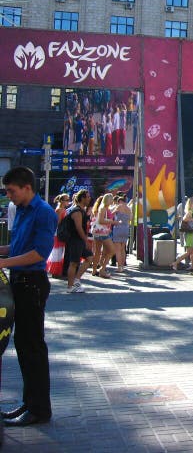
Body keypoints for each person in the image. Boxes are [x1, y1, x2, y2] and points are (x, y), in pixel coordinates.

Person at [0, 167, 56, 427]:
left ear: (26, 187)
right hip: (20, 281)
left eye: (11, 191)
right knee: (23, 346)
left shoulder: (43, 212)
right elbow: (19, 247)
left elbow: (39, 253)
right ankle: (29, 402)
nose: (8, 196)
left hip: (32, 283)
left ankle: (39, 409)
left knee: (33, 347)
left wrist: (4, 262)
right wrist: (3, 252)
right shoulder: (21, 210)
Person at [63, 190, 94, 293]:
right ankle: (70, 286)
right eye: (87, 197)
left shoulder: (82, 210)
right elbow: (78, 227)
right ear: (82, 198)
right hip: (75, 240)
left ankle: (76, 280)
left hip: (80, 240)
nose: (89, 198)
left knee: (89, 258)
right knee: (74, 263)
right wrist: (86, 240)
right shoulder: (77, 211)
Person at [172, 194, 193, 271]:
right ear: (191, 204)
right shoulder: (190, 212)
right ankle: (175, 262)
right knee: (189, 252)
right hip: (190, 234)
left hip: (192, 233)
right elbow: (184, 219)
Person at [111, 195, 131, 272]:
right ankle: (122, 266)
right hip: (126, 229)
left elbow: (111, 214)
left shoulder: (119, 206)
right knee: (123, 249)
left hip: (118, 228)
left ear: (119, 201)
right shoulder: (129, 208)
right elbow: (130, 218)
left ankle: (119, 267)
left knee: (118, 250)